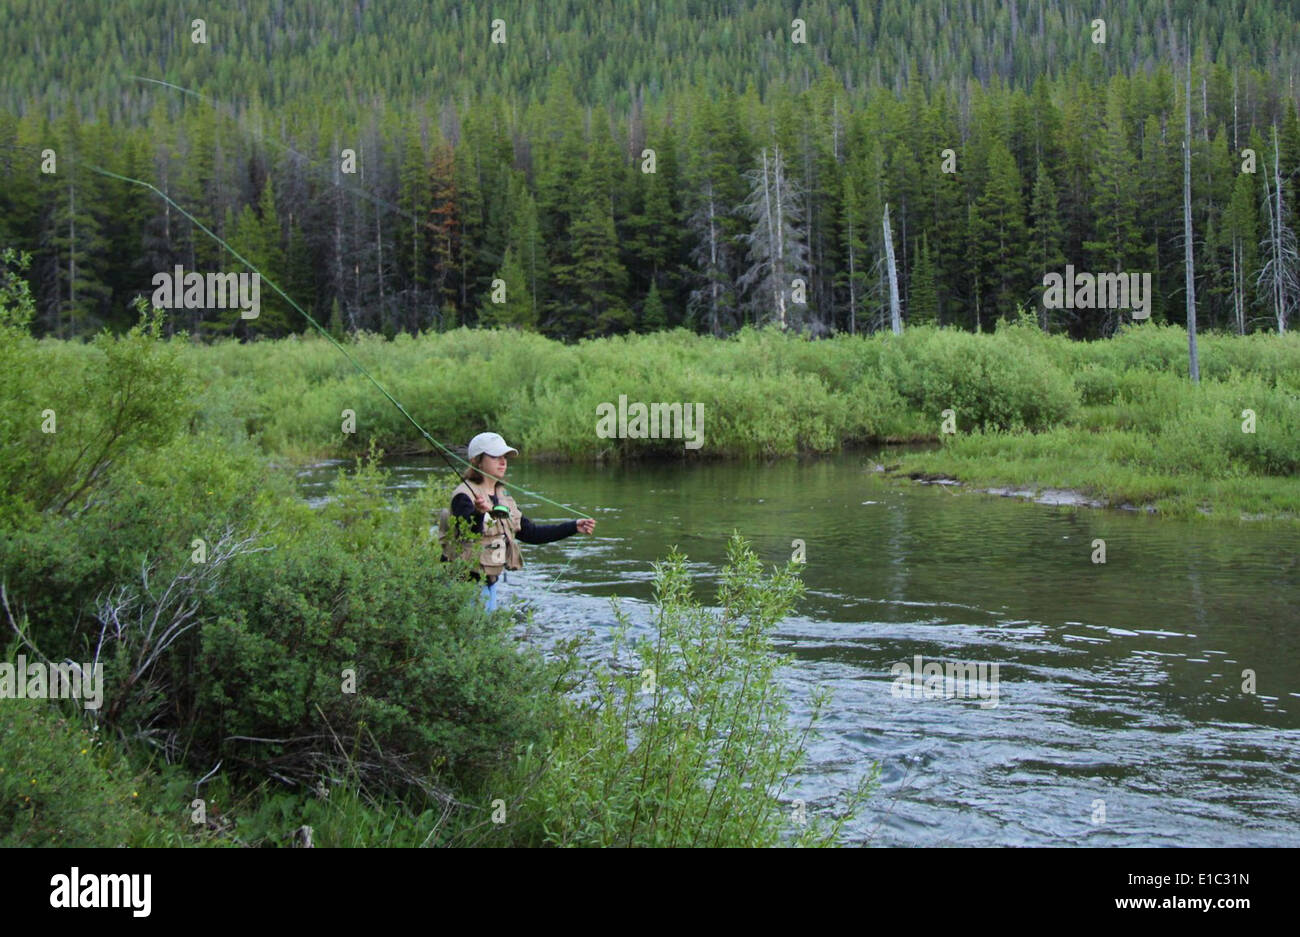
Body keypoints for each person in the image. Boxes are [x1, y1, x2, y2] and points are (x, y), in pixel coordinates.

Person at [442, 432, 595, 611]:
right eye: (495, 456)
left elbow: (531, 533)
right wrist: (478, 513)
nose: (503, 461)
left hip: (489, 583)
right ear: (477, 460)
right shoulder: (463, 496)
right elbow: (467, 534)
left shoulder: (503, 495)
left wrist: (573, 527)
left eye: (504, 457)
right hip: (466, 586)